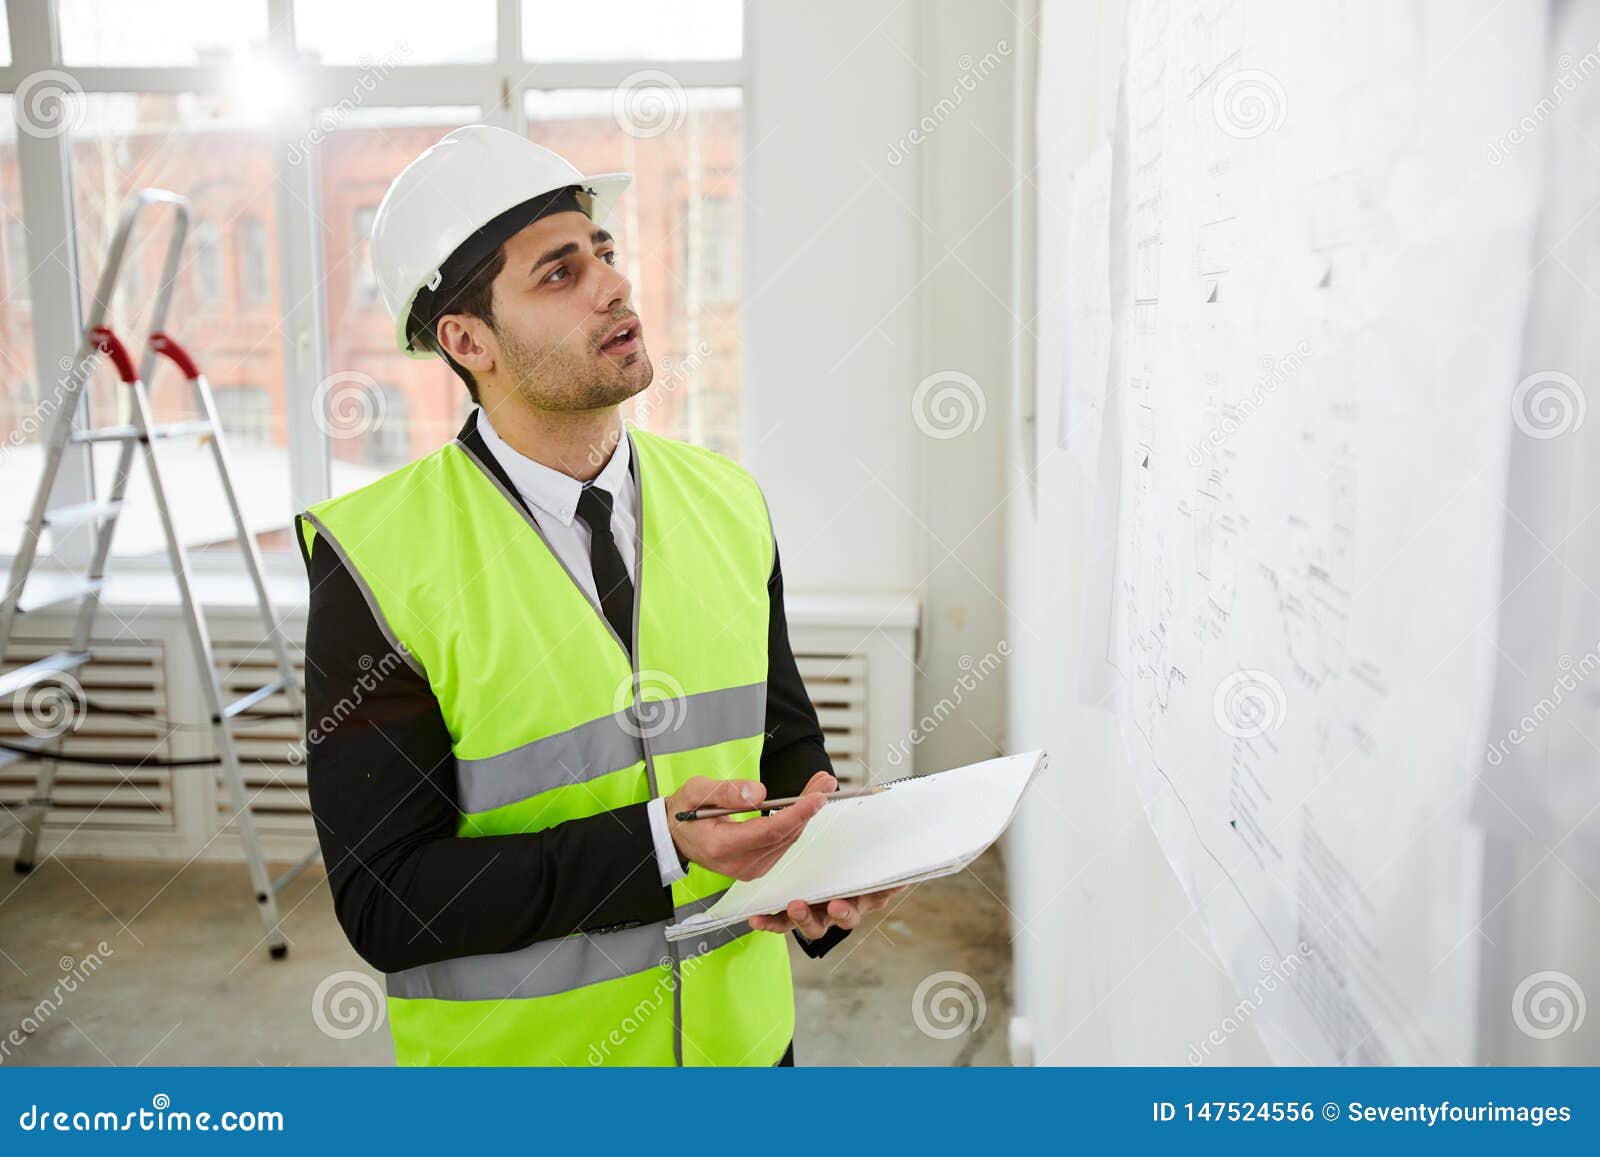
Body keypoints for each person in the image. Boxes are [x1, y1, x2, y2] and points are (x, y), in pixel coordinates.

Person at [296, 125, 899, 1067]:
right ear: (466, 340)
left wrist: (826, 863)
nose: (613, 286)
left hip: (747, 1055)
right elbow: (387, 898)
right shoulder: (376, 561)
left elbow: (781, 739)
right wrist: (663, 846)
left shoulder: (728, 502)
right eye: (558, 273)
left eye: (604, 253)